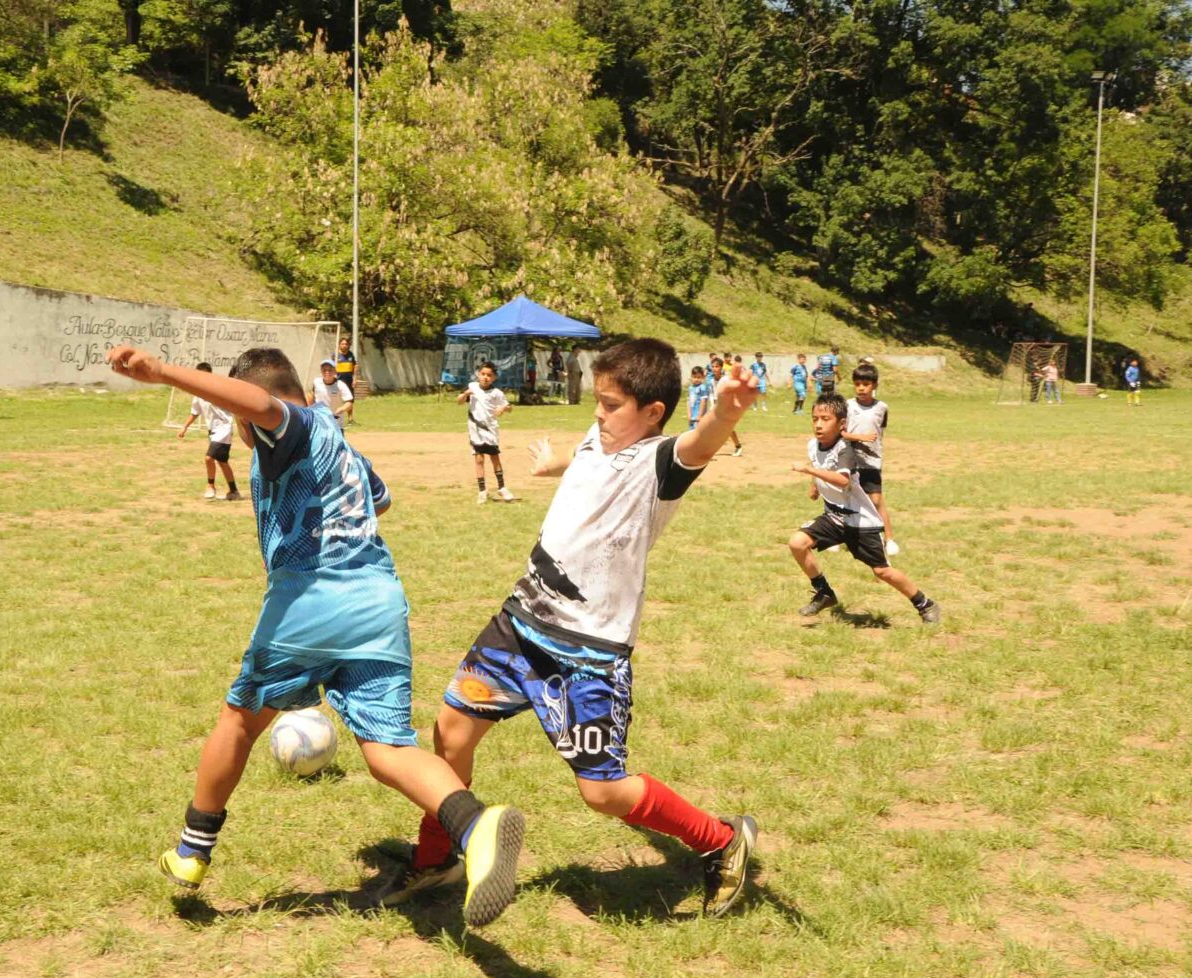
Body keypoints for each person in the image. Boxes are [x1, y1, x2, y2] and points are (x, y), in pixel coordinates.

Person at [104, 343, 526, 930]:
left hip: (311, 603)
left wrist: (162, 374)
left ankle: (191, 853)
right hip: (379, 602)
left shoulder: (291, 424)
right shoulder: (336, 436)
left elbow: (262, 405)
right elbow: (381, 498)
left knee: (238, 722)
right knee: (389, 750)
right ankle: (476, 827)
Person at [383, 337, 759, 919]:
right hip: (520, 625)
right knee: (451, 729)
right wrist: (553, 462)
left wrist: (726, 410)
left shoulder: (658, 461)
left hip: (588, 654)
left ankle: (721, 840)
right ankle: (437, 858)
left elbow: (700, 442)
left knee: (602, 792)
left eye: (611, 405)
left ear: (652, 413)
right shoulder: (600, 436)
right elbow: (586, 463)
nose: (598, 414)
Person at [788, 393, 940, 624]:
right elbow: (821, 464)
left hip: (860, 521)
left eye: (825, 419)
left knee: (882, 572)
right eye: (815, 418)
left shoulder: (845, 450)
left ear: (842, 424)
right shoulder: (812, 444)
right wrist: (814, 485)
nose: (818, 424)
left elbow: (842, 481)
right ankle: (824, 592)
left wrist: (809, 471)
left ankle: (925, 603)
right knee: (797, 543)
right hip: (834, 517)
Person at [840, 363, 899, 556]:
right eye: (857, 384)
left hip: (872, 461)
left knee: (876, 499)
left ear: (874, 385)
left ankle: (889, 539)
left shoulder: (882, 407)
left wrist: (872, 445)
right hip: (849, 460)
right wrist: (859, 438)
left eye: (865, 384)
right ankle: (838, 537)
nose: (861, 388)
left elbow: (880, 431)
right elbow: (841, 433)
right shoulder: (847, 406)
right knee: (844, 498)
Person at [177, 363, 241, 501]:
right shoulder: (198, 394)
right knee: (222, 462)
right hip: (213, 431)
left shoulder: (218, 389)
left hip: (224, 428)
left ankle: (210, 486)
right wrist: (185, 427)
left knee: (209, 458)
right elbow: (195, 412)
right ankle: (234, 491)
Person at [460, 361, 514, 504]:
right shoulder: (472, 387)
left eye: (489, 375)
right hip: (475, 429)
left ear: (494, 377)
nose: (485, 377)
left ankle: (502, 487)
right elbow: (459, 401)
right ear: (478, 374)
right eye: (483, 374)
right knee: (479, 459)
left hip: (490, 429)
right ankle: (482, 491)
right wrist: (465, 394)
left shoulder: (497, 393)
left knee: (495, 457)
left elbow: (509, 407)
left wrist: (503, 409)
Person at [311, 359, 354, 429]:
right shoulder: (316, 382)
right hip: (320, 421)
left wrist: (342, 409)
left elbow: (349, 402)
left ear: (335, 371)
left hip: (336, 422)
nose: (327, 372)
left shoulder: (340, 385)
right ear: (321, 371)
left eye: (330, 370)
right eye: (324, 370)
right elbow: (312, 396)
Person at [333, 336, 358, 424]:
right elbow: (332, 367)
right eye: (342, 344)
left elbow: (355, 366)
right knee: (336, 399)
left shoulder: (351, 355)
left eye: (346, 344)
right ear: (339, 345)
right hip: (338, 381)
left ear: (348, 345)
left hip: (349, 381)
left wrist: (355, 379)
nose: (344, 345)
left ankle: (350, 419)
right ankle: (335, 417)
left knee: (350, 400)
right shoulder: (335, 355)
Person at [687, 364, 712, 431]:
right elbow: (688, 401)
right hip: (692, 416)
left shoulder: (702, 388)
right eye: (694, 377)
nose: (696, 379)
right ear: (691, 377)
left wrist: (700, 415)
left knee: (700, 432)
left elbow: (703, 402)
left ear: (703, 377)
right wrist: (689, 414)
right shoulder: (690, 388)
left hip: (699, 416)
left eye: (699, 377)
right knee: (691, 431)